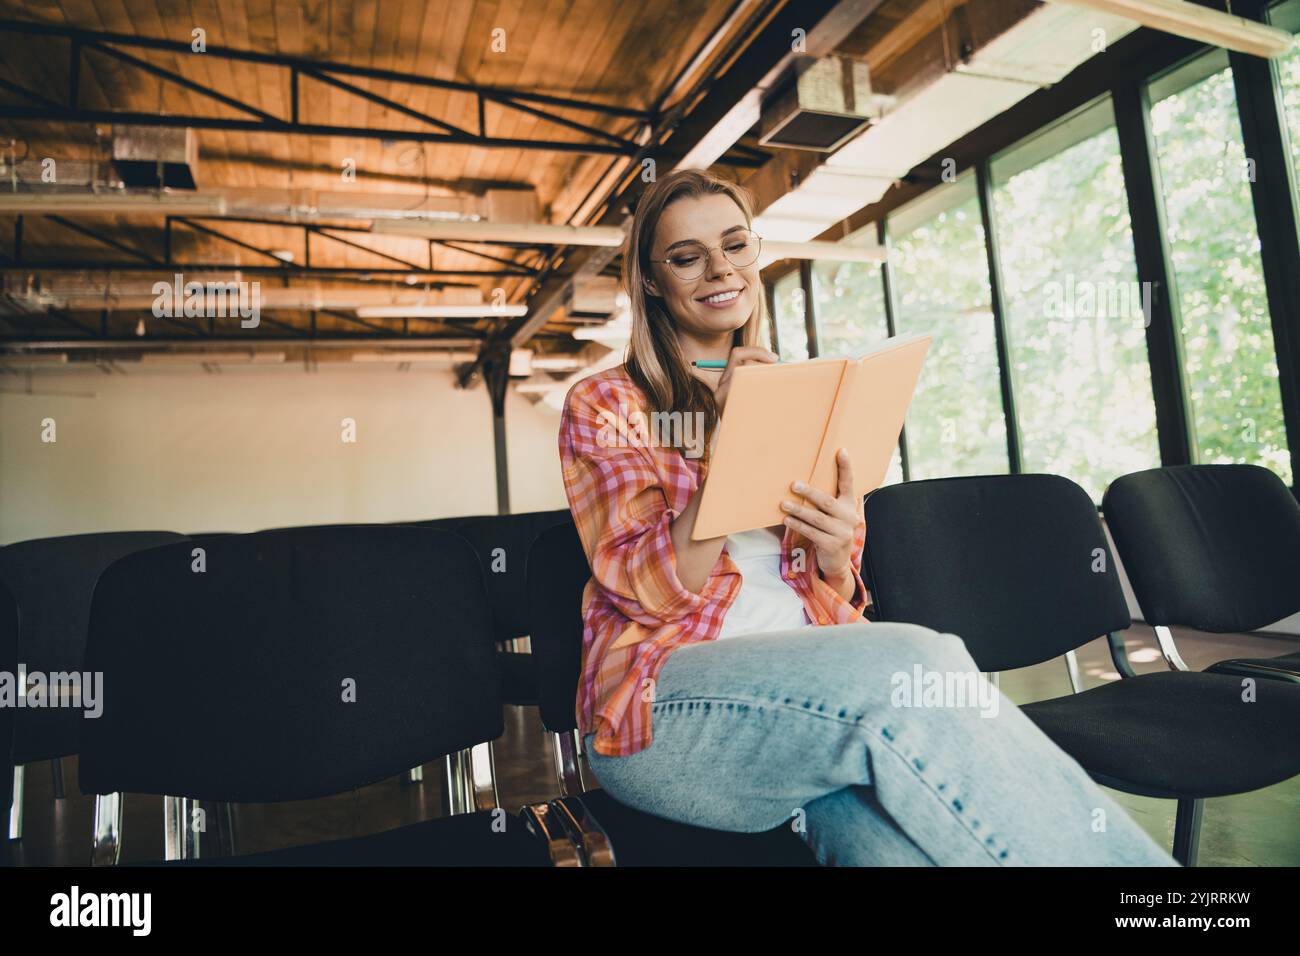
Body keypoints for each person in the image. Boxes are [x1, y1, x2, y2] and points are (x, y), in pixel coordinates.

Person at [556, 167, 1178, 866]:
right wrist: (725, 453)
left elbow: (838, 592)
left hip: (815, 707)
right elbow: (644, 590)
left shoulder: (798, 390)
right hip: (666, 717)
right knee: (915, 661)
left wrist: (831, 552)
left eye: (735, 246)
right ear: (650, 279)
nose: (719, 269)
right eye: (686, 256)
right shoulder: (607, 405)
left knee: (902, 853)